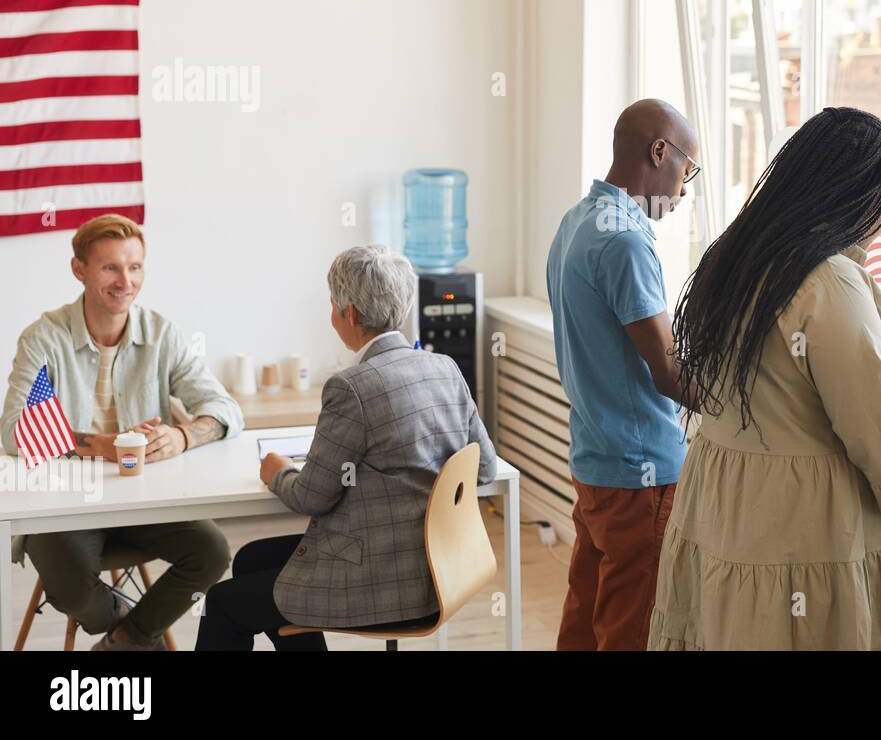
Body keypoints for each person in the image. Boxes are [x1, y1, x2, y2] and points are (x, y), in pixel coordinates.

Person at [648, 108, 881, 651]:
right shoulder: (826, 282)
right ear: (860, 199)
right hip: (809, 540)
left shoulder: (734, 259)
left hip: (732, 524)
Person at [195, 244, 497, 650]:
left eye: (333, 306)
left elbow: (310, 497)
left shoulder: (352, 387)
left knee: (220, 605)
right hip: (442, 567)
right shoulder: (443, 367)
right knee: (251, 560)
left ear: (349, 313)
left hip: (385, 582)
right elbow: (485, 469)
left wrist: (277, 472)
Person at [1, 213, 243, 650]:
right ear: (80, 270)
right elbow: (15, 431)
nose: (125, 281)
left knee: (212, 551)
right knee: (71, 585)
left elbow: (224, 408)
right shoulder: (43, 337)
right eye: (110, 267)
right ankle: (133, 627)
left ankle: (126, 640)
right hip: (67, 502)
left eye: (135, 267)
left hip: (144, 500)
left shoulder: (161, 334)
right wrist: (99, 446)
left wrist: (184, 436)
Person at [546, 98, 700, 651]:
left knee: (586, 618)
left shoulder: (577, 222)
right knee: (633, 628)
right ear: (659, 152)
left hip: (596, 459)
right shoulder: (627, 240)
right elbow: (666, 371)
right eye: (687, 170)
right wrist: (742, 399)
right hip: (643, 474)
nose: (684, 190)